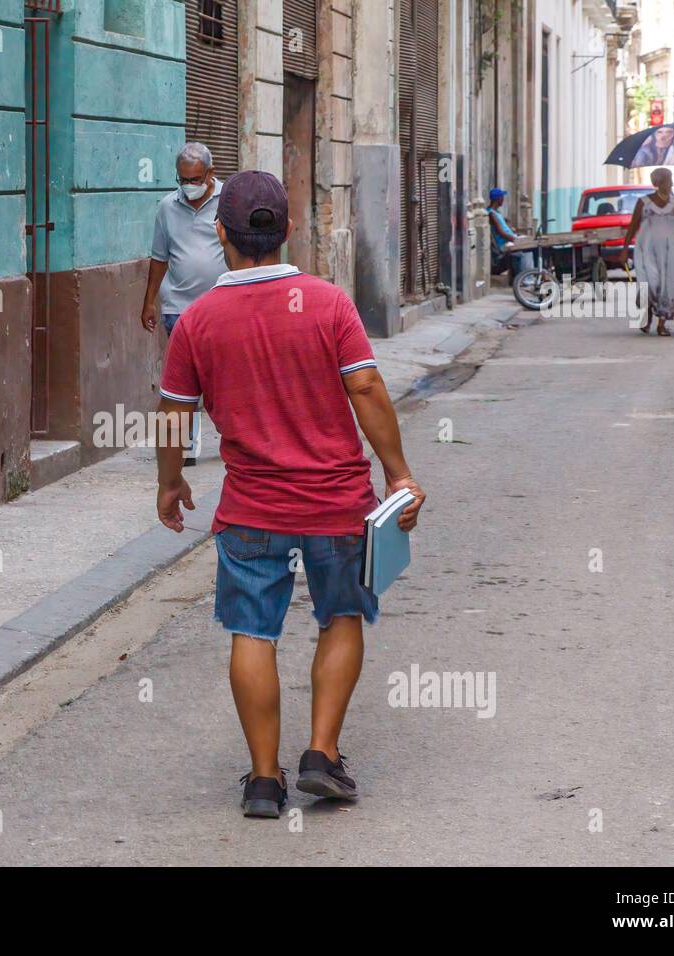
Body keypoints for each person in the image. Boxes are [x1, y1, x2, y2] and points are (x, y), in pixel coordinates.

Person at [154, 170, 425, 819]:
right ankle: (322, 755)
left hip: (251, 509)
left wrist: (169, 481)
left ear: (222, 234)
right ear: (289, 229)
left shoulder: (198, 321)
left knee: (252, 630)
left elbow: (172, 410)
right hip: (337, 504)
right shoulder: (328, 303)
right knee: (342, 617)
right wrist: (398, 475)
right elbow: (364, 389)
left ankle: (264, 781)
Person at [141, 143, 228, 465]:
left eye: (194, 179)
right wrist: (149, 301)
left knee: (224, 378)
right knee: (183, 378)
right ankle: (185, 449)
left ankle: (235, 438)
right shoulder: (167, 207)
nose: (188, 185)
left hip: (221, 306)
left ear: (210, 174)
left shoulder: (229, 201)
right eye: (182, 179)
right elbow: (159, 257)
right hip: (178, 307)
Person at [619, 167, 674, 336]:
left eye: (670, 180)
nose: (670, 183)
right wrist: (625, 250)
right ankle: (647, 311)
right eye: (667, 180)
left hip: (669, 250)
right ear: (657, 183)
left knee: (667, 285)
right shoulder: (644, 202)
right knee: (650, 284)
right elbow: (633, 225)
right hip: (645, 249)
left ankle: (662, 324)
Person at [487, 188, 531, 278]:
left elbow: (505, 229)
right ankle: (526, 278)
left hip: (510, 240)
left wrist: (516, 236)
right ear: (498, 199)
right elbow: (501, 232)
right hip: (504, 244)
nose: (503, 199)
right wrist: (516, 240)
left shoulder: (497, 213)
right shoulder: (491, 214)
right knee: (527, 251)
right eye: (502, 197)